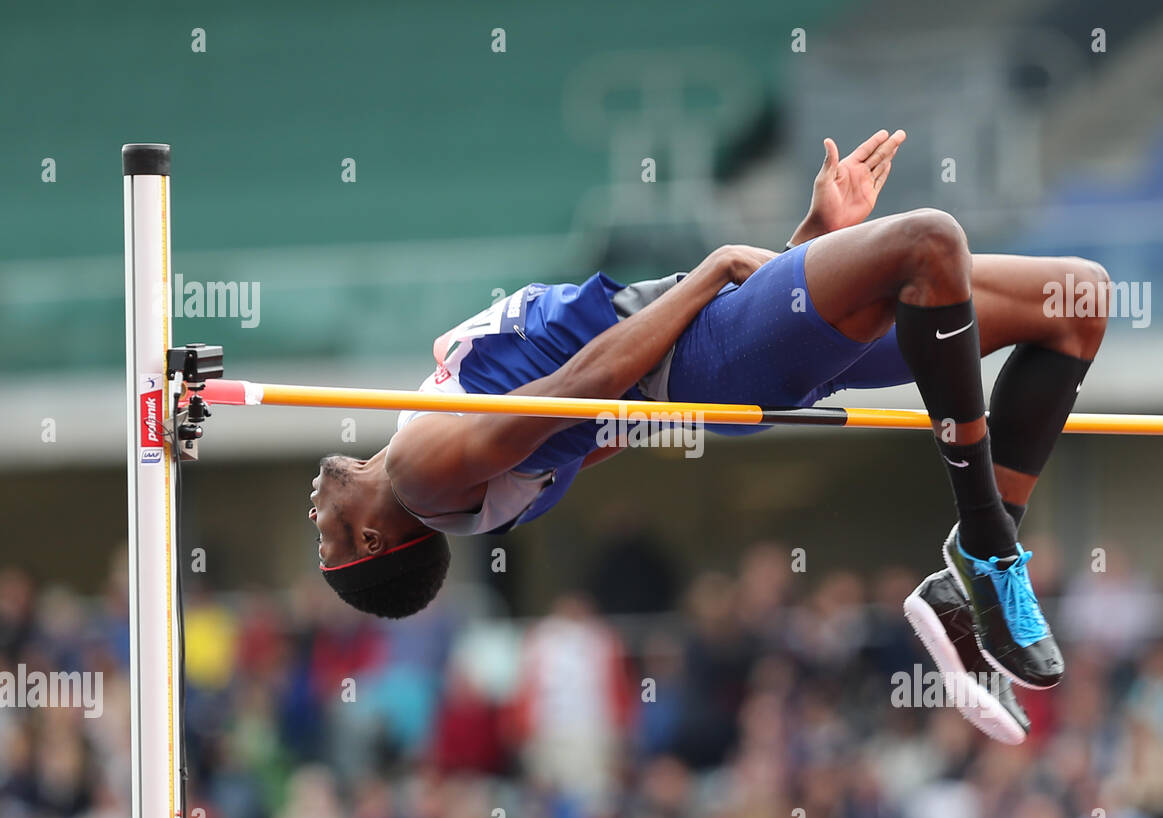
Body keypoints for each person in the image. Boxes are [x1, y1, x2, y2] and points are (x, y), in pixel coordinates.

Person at [308, 130, 1108, 742]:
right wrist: (714, 268)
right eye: (327, 542)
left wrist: (805, 247)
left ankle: (967, 586)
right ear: (375, 540)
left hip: (739, 345)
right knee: (928, 242)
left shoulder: (458, 479)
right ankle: (986, 554)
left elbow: (615, 417)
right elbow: (580, 390)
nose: (314, 510)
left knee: (1078, 300)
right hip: (719, 351)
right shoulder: (421, 475)